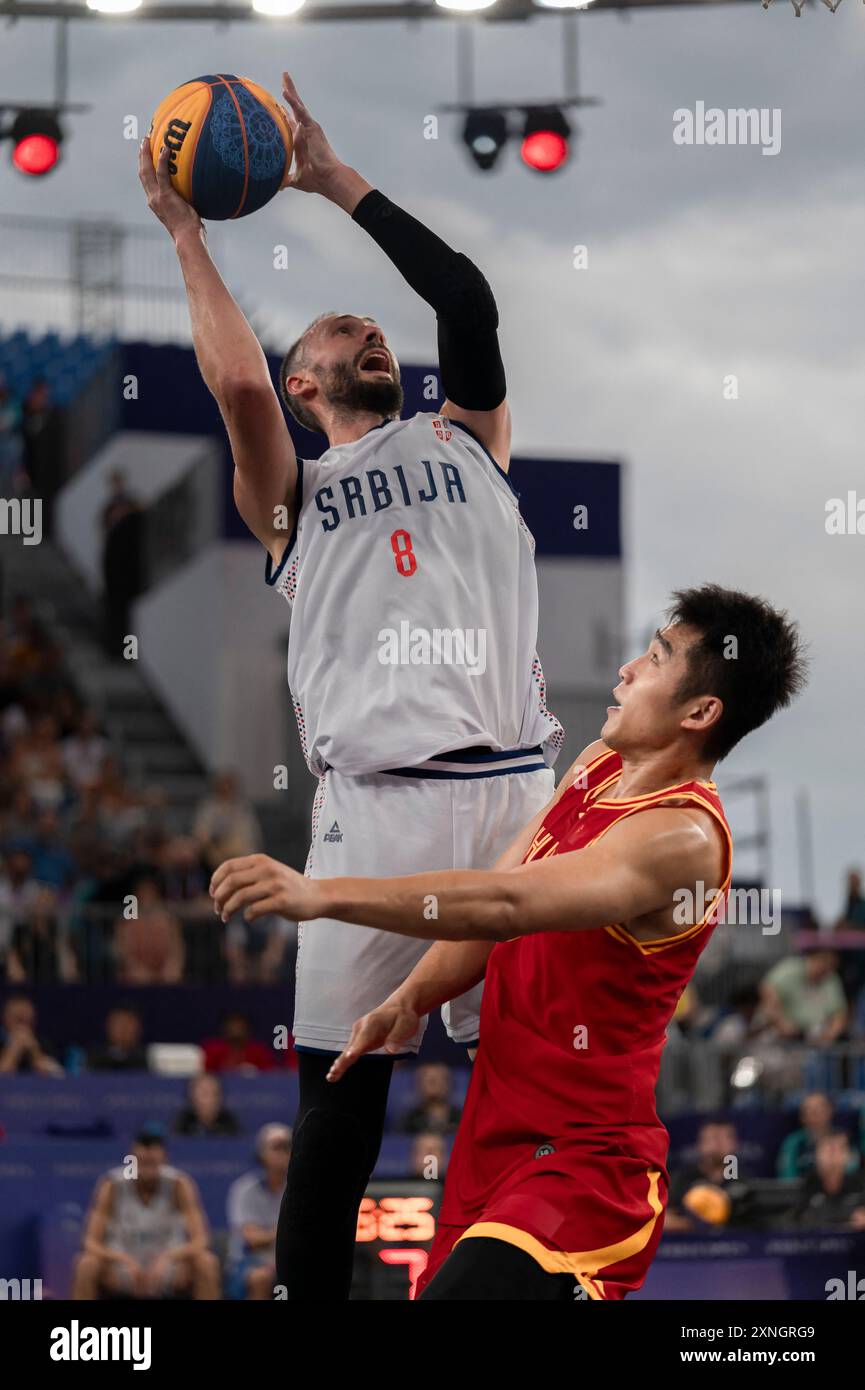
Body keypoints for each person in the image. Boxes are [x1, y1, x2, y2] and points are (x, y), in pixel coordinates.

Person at [140, 70, 562, 1301]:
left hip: (512, 804)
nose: (368, 333)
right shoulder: (292, 503)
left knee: (520, 1097)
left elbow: (465, 296)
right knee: (337, 1118)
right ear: (306, 385)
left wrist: (330, 178)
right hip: (369, 813)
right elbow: (230, 388)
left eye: (372, 330)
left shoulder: (466, 438)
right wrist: (184, 235)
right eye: (336, 335)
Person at [213, 583, 806, 1300]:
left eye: (652, 659)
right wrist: (411, 996)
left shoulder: (679, 837)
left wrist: (323, 894)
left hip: (584, 1168)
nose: (624, 670)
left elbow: (505, 903)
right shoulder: (594, 765)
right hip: (489, 1145)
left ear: (700, 711)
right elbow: (498, 890)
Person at [73, 1131, 220, 1299]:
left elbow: (201, 1240)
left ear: (164, 1160)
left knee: (206, 1262)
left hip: (168, 1268)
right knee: (86, 1264)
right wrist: (123, 1259)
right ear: (131, 1160)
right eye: (141, 1162)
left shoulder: (180, 1184)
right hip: (122, 1268)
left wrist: (167, 1258)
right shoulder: (112, 1185)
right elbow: (90, 1242)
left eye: (152, 1163)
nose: (146, 1169)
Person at [225, 1124, 292, 1300]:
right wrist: (285, 1232)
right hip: (249, 1263)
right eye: (276, 1147)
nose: (282, 1153)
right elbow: (252, 1239)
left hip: (288, 1262)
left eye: (287, 1147)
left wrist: (270, 1235)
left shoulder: (299, 1191)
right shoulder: (244, 1189)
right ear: (261, 1153)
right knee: (260, 1277)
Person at [664, 1120, 740, 1233]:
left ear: (735, 1144)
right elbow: (663, 1219)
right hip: (691, 1246)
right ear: (700, 1144)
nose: (718, 1144)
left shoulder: (741, 1180)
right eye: (712, 1138)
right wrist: (695, 1224)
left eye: (725, 1138)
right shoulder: (683, 1179)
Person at [760, 948, 848, 1045]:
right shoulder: (791, 969)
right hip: (778, 1037)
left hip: (813, 1038)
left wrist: (830, 1035)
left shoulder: (831, 979)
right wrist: (781, 1023)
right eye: (825, 962)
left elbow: (839, 1014)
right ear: (815, 959)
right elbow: (767, 989)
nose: (827, 969)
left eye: (831, 966)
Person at [789, 1132, 865, 1231]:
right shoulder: (806, 1185)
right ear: (816, 1154)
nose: (833, 1155)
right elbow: (794, 1221)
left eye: (840, 1148)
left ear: (849, 1155)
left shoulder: (860, 1184)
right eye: (829, 1148)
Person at [776, 1091, 836, 1180]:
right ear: (802, 1117)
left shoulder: (842, 1140)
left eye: (817, 1111)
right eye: (807, 1112)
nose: (813, 1116)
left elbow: (851, 1174)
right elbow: (787, 1178)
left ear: (830, 1112)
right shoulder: (793, 1143)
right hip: (801, 1192)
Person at [0, 993, 63, 1075]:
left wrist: (35, 1054)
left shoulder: (43, 1043)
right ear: (4, 1017)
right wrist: (14, 1050)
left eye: (25, 1018)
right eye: (18, 1019)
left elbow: (59, 1075)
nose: (21, 1028)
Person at [398, 1063, 462, 1136]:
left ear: (448, 1085)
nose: (433, 1084)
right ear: (418, 1086)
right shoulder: (409, 1120)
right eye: (428, 1080)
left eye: (437, 1079)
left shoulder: (461, 1118)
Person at [173, 1073, 241, 1137]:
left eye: (214, 1093)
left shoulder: (229, 1124)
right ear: (192, 1097)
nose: (210, 1099)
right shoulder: (182, 1124)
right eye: (204, 1093)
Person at [87, 1005, 149, 1072]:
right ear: (108, 1026)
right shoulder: (95, 1058)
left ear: (138, 1028)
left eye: (128, 1023)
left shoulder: (149, 1058)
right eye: (118, 1023)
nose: (123, 1029)